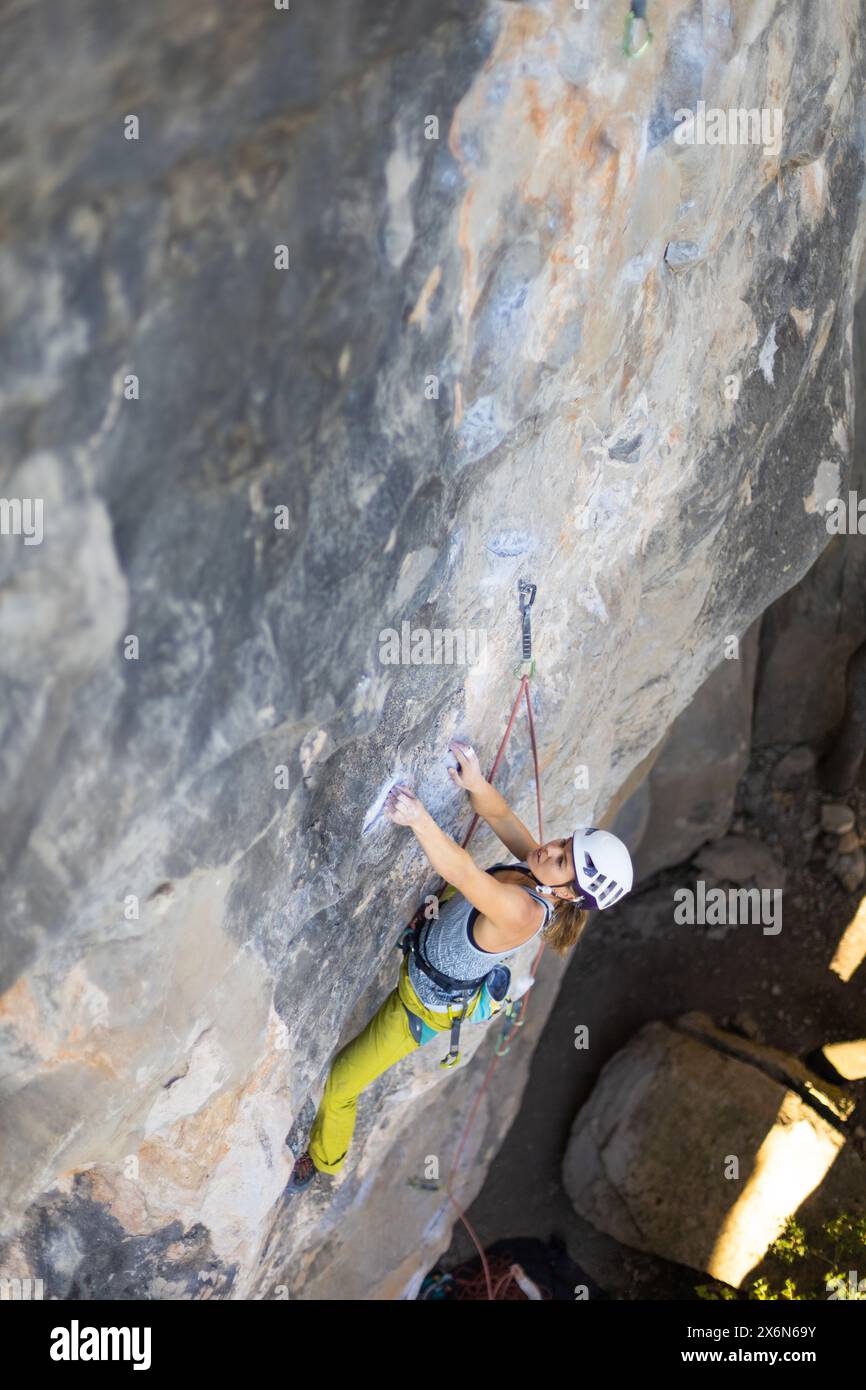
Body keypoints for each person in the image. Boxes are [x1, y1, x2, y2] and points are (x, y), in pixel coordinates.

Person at [284, 738, 634, 1194]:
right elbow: (504, 818)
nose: (549, 848)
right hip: (437, 953)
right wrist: (477, 783)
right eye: (563, 841)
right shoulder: (541, 872)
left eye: (562, 858)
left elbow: (466, 874)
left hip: (421, 1006)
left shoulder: (526, 912)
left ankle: (324, 1160)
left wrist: (418, 819)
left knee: (343, 1080)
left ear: (569, 894)